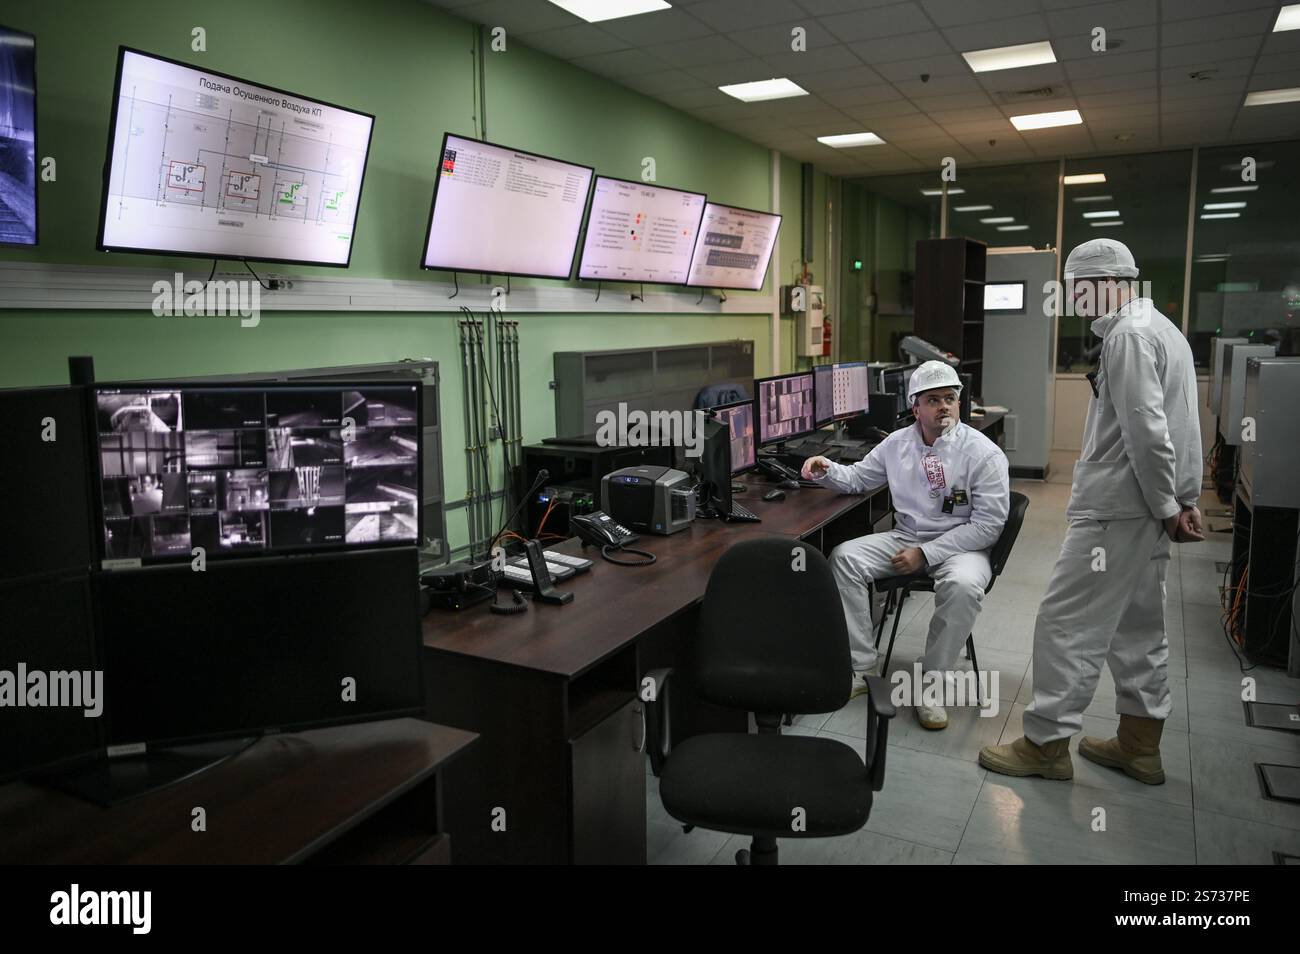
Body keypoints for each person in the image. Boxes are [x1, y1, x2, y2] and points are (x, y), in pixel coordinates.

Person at [979, 238, 1204, 784]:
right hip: (1146, 510)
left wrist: (1169, 503)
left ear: (1097, 283)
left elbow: (1147, 433)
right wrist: (1181, 499)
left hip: (1118, 510)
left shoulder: (1128, 335)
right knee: (1138, 627)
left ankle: (1045, 744)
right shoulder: (1163, 328)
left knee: (1067, 621)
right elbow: (1183, 423)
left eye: (1074, 289)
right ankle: (1138, 746)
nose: (1073, 301)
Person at [803, 361, 1009, 729]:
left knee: (962, 586)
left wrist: (926, 555)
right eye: (933, 400)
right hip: (907, 538)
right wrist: (826, 469)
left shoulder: (983, 454)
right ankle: (862, 666)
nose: (943, 406)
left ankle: (933, 686)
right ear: (915, 407)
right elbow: (857, 479)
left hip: (964, 546)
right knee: (844, 559)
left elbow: (989, 525)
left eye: (950, 398)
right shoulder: (896, 444)